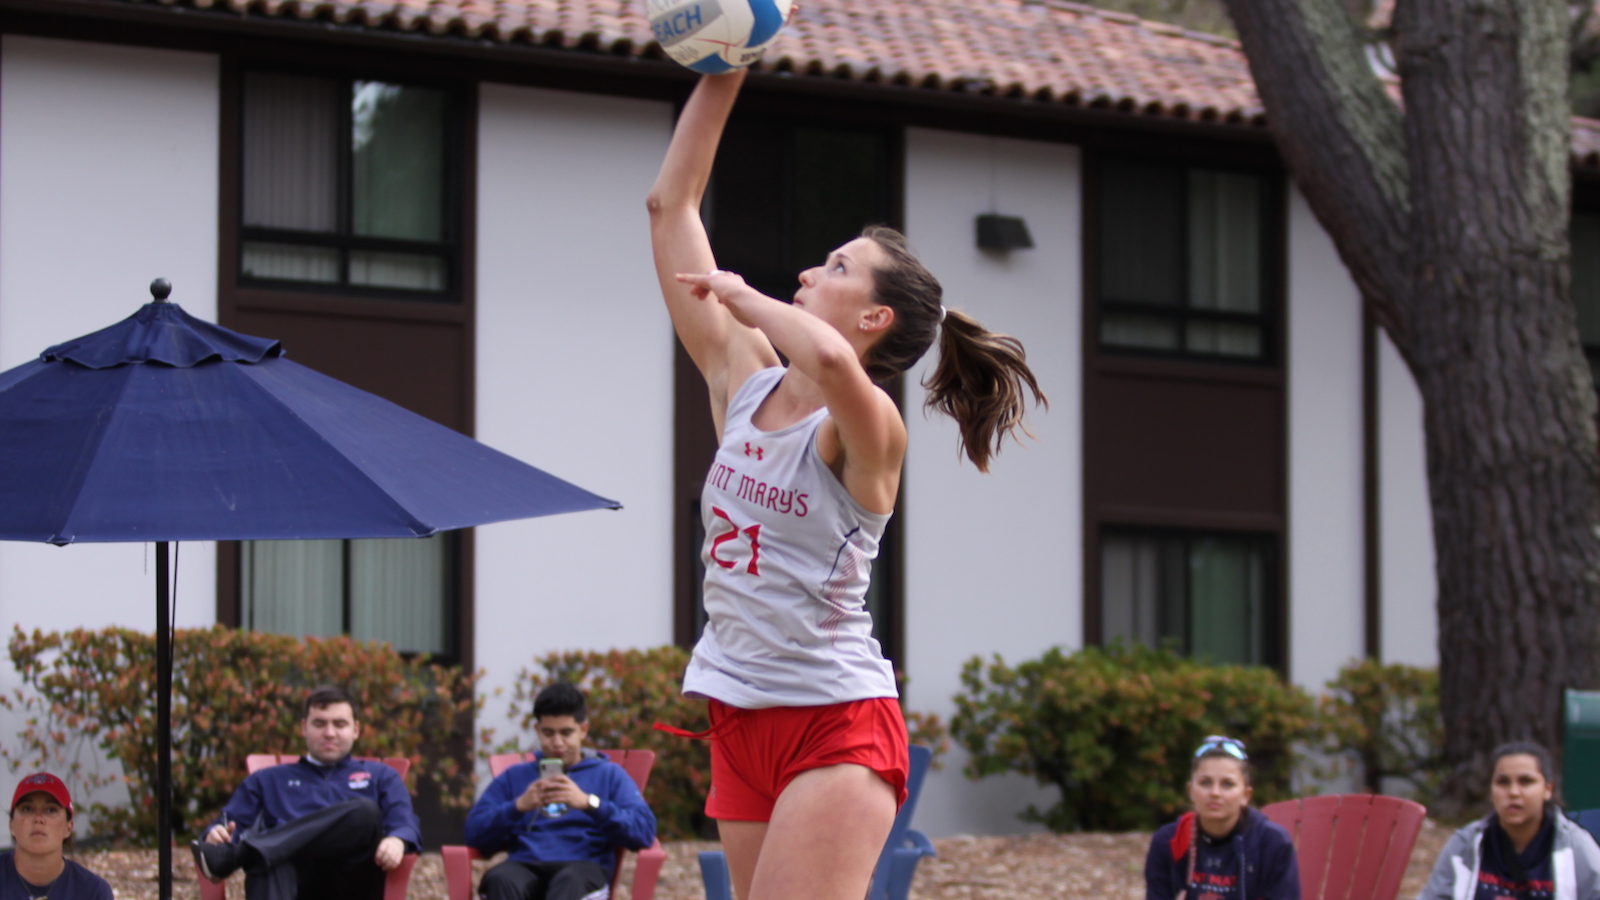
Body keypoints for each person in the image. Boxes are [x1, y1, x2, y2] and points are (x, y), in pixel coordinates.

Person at [646, 69, 1045, 900]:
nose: (809, 270)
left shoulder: (866, 429)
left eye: (837, 266)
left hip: (836, 725)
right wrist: (729, 65)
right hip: (739, 710)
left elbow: (826, 361)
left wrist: (740, 293)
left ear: (875, 319)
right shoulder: (743, 380)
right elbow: (670, 208)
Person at [189, 684, 420, 900]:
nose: (329, 733)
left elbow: (404, 821)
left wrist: (398, 839)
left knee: (365, 812)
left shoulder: (380, 776)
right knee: (269, 863)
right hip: (290, 883)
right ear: (303, 728)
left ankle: (245, 854)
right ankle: (256, 853)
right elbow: (230, 821)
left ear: (356, 730)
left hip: (352, 882)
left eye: (340, 724)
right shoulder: (268, 779)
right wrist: (216, 833)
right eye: (319, 724)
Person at [464, 683, 656, 900]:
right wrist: (517, 807)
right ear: (537, 730)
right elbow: (474, 833)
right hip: (525, 865)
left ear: (583, 730)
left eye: (566, 733)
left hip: (582, 868)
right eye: (548, 733)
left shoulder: (610, 775)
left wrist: (588, 803)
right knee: (501, 878)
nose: (557, 743)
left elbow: (644, 830)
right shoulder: (515, 776)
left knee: (570, 882)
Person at [1417, 740, 1600, 900]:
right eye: (1503, 782)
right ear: (1490, 790)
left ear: (1548, 789)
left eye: (1526, 781)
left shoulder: (1576, 847)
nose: (1513, 792)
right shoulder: (1464, 845)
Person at [1144, 735, 1300, 900]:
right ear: (1190, 791)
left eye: (1227, 784)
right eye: (1205, 782)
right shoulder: (1169, 840)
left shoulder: (1272, 843)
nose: (1215, 793)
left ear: (1245, 795)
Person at [2, 772, 113, 900]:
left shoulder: (93, 892)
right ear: (11, 825)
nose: (38, 818)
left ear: (69, 827)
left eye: (51, 810)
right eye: (27, 809)